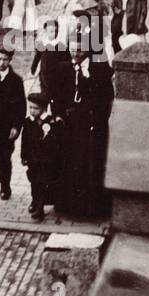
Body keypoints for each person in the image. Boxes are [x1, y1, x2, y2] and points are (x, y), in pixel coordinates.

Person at [56, 50, 114, 218]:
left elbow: (107, 97)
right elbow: (58, 95)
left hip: (93, 125)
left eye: (80, 48)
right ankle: (71, 208)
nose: (76, 51)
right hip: (72, 126)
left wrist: (98, 119)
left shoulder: (100, 68)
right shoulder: (65, 68)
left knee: (92, 163)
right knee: (72, 164)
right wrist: (61, 115)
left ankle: (93, 209)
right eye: (73, 47)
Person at [0, 48, 26, 207]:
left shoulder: (16, 80)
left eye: (5, 60)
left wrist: (16, 126)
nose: (2, 63)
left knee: (5, 159)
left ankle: (4, 186)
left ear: (10, 61)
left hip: (6, 128)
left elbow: (21, 107)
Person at [20, 92, 63, 222]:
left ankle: (40, 208)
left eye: (35, 108)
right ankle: (35, 201)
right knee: (34, 181)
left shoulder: (51, 121)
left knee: (43, 183)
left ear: (43, 108)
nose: (32, 111)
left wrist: (54, 157)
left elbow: (56, 142)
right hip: (33, 160)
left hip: (46, 160)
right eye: (30, 108)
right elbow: (24, 141)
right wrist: (24, 156)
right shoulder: (28, 122)